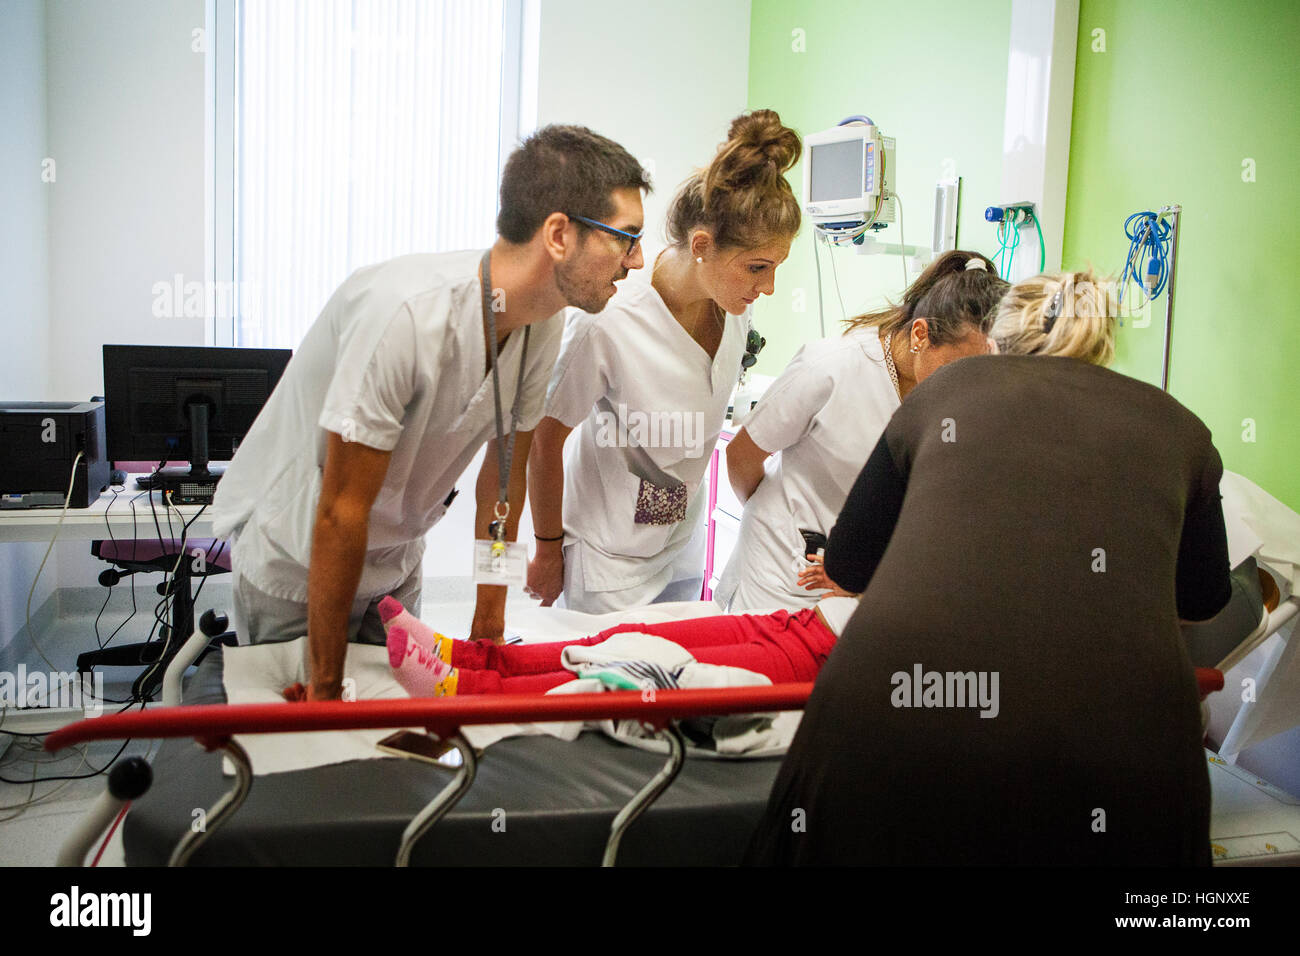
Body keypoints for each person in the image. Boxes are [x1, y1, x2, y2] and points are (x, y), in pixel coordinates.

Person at [745, 269, 1234, 866]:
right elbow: (1204, 598)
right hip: (1121, 740)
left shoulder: (944, 394)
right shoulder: (1181, 429)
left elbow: (849, 562)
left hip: (898, 712)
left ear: (997, 339)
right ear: (1104, 346)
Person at [211, 126, 651, 701]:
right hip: (301, 567)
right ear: (560, 235)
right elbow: (340, 513)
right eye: (626, 237)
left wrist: (489, 621)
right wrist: (324, 689)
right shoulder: (405, 315)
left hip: (394, 564)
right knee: (309, 758)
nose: (637, 260)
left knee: (396, 748)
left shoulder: (543, 321)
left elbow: (502, 480)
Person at [525, 110, 802, 614]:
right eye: (757, 267)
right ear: (702, 246)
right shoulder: (607, 319)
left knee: (670, 680)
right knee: (610, 686)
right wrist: (546, 548)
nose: (768, 287)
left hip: (680, 545)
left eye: (777, 267)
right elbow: (545, 441)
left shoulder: (736, 309)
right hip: (609, 561)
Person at [715, 251, 1007, 612]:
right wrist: (782, 528)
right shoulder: (831, 368)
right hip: (780, 574)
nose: (967, 388)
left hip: (863, 584)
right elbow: (742, 456)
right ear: (921, 334)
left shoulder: (959, 403)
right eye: (957, 369)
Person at [366, 593, 860, 697]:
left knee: (634, 668)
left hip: (836, 656)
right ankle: (463, 654)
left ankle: (461, 690)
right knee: (621, 639)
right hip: (805, 618)